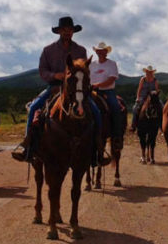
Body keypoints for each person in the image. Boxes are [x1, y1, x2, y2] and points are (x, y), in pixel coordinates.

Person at [11, 16, 110, 167]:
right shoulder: (48, 50)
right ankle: (27, 146)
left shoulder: (80, 50)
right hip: (54, 87)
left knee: (96, 111)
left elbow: (84, 71)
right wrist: (55, 75)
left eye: (70, 30)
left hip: (76, 89)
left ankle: (98, 149)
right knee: (34, 108)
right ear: (59, 31)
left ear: (73, 32)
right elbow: (42, 70)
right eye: (64, 30)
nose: (67, 32)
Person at [91, 42, 126, 140]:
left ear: (106, 52)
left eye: (103, 51)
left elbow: (112, 79)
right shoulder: (91, 65)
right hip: (92, 91)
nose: (100, 52)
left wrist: (98, 85)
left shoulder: (111, 64)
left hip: (107, 91)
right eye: (99, 51)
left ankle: (117, 135)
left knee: (115, 107)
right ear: (96, 52)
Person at [132, 65, 161, 131]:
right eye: (148, 72)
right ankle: (133, 125)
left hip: (152, 97)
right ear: (146, 72)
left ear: (152, 73)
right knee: (135, 108)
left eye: (150, 72)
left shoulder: (155, 80)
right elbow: (139, 89)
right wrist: (137, 97)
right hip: (143, 96)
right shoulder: (143, 79)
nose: (149, 73)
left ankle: (161, 125)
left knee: (161, 106)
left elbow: (157, 90)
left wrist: (155, 92)